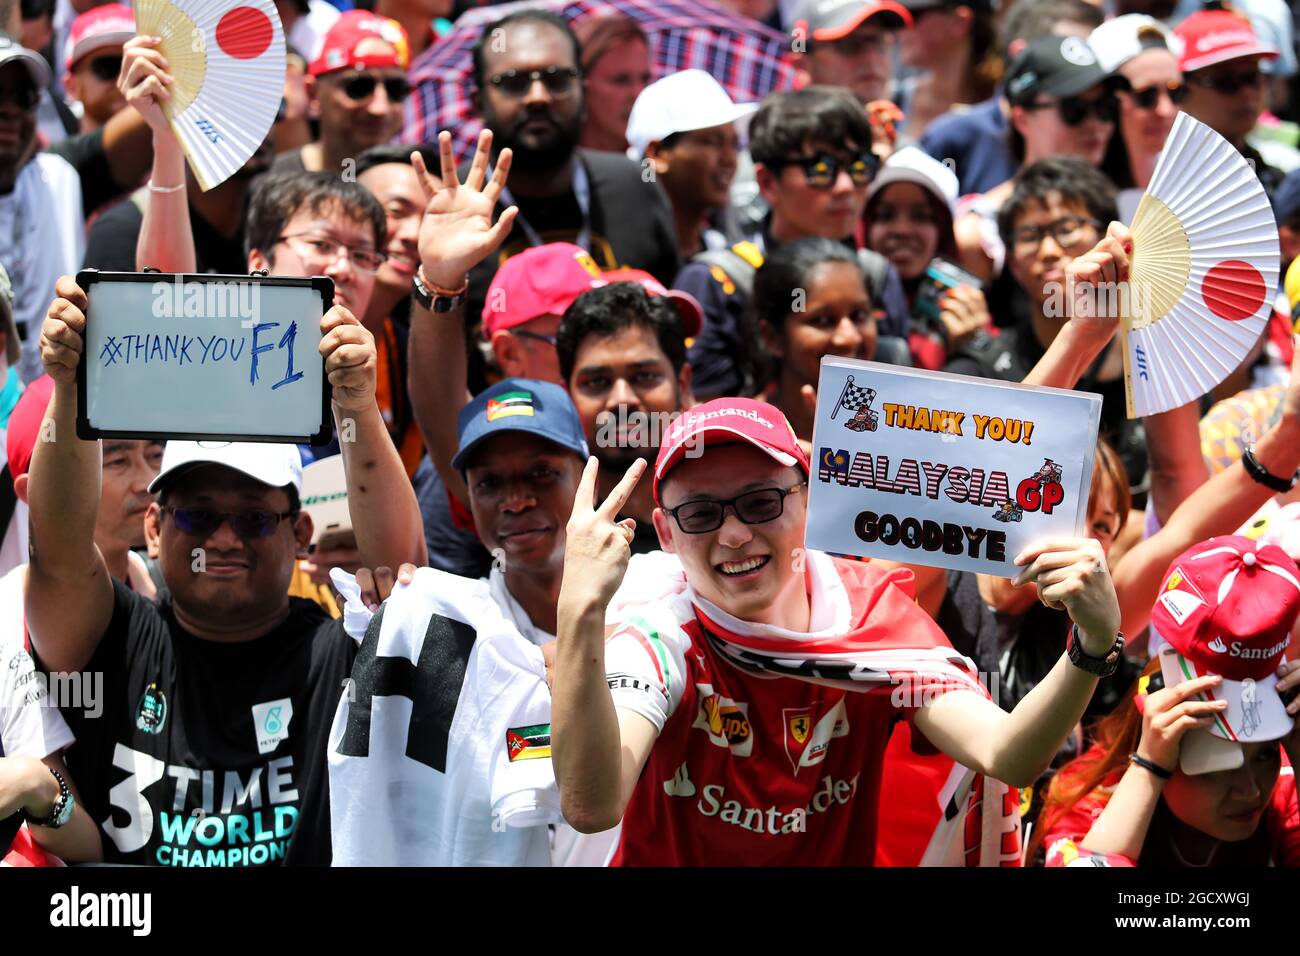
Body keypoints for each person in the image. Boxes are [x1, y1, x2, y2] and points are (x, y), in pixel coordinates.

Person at [550, 395, 1128, 865]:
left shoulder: (874, 619)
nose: (733, 536)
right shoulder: (659, 634)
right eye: (701, 514)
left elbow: (1007, 754)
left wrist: (1094, 643)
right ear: (666, 533)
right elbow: (592, 806)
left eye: (760, 502)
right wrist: (579, 610)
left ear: (807, 500)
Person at [22, 268, 424, 866]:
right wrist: (72, 388)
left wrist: (358, 406)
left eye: (256, 518)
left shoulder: (338, 653)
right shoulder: (114, 640)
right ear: (155, 530)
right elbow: (56, 550)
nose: (227, 538)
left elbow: (403, 577)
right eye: (199, 517)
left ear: (301, 533)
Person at [1035, 537, 1300, 867]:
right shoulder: (1086, 788)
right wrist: (1148, 768)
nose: (1251, 792)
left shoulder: (1287, 780)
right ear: (1153, 736)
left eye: (1265, 753)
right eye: (1219, 760)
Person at [674, 87, 913, 400]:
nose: (844, 187)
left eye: (858, 167)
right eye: (821, 170)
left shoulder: (877, 274)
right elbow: (702, 418)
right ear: (768, 183)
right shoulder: (718, 281)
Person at [462, 8, 680, 343]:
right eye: (515, 83)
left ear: (583, 90)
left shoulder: (633, 186)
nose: (538, 97)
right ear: (478, 101)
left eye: (557, 79)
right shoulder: (453, 205)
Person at [949, 158, 1148, 497]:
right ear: (1011, 262)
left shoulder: (1153, 365)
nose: (1050, 251)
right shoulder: (979, 369)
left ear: (1108, 237)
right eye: (1030, 236)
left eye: (1068, 228)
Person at [83, 36, 272, 276]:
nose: (252, 124)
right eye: (230, 105)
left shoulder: (285, 224)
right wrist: (166, 135)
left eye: (267, 103)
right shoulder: (122, 231)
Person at [954, 35, 1118, 286]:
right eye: (1074, 109)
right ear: (1022, 119)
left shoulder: (1130, 201)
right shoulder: (981, 234)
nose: (1095, 123)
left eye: (1106, 107)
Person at [556, 281, 695, 555]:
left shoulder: (729, 504)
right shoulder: (547, 525)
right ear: (567, 396)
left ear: (682, 384)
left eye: (644, 377)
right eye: (597, 382)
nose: (621, 400)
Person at [918, 0, 1103, 196]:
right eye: (1068, 50)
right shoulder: (954, 137)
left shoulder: (1107, 133)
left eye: (1105, 107)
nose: (1084, 66)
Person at [753, 238, 904, 440]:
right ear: (773, 338)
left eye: (858, 316)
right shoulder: (747, 438)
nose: (848, 337)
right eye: (823, 321)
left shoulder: (902, 433)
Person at [862, 146, 992, 368]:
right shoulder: (841, 308)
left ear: (943, 233)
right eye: (885, 215)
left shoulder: (970, 312)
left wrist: (975, 346)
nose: (902, 230)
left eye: (921, 216)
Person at [626, 70, 756, 259]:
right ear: (657, 154)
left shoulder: (723, 260)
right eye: (712, 142)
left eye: (735, 145)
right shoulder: (613, 252)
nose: (730, 160)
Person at [271, 11, 411, 176]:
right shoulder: (271, 184)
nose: (380, 108)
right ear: (313, 94)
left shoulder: (417, 189)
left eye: (396, 89)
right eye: (358, 88)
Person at [1174, 7, 1286, 199]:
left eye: (1252, 78)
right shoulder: (1155, 179)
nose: (1247, 93)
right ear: (1179, 91)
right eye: (1225, 81)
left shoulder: (1278, 177)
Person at [1091, 15, 1182, 215]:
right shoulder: (1086, 197)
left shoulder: (1190, 180)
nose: (1165, 110)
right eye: (1146, 96)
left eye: (1175, 93)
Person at [896, 0, 1000, 143]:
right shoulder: (893, 102)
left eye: (913, 15)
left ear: (960, 21)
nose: (900, 30)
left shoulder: (1005, 110)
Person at [789, 0, 912, 107]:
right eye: (851, 45)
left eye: (880, 43)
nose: (872, 59)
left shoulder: (919, 130)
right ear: (802, 65)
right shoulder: (780, 133)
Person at [574, 13, 651, 155]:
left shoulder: (652, 168)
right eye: (621, 80)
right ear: (581, 86)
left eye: (645, 79)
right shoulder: (549, 169)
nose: (638, 93)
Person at [61, 3, 130, 133]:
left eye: (135, 64)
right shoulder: (51, 152)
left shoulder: (177, 149)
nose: (125, 79)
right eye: (107, 67)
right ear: (72, 86)